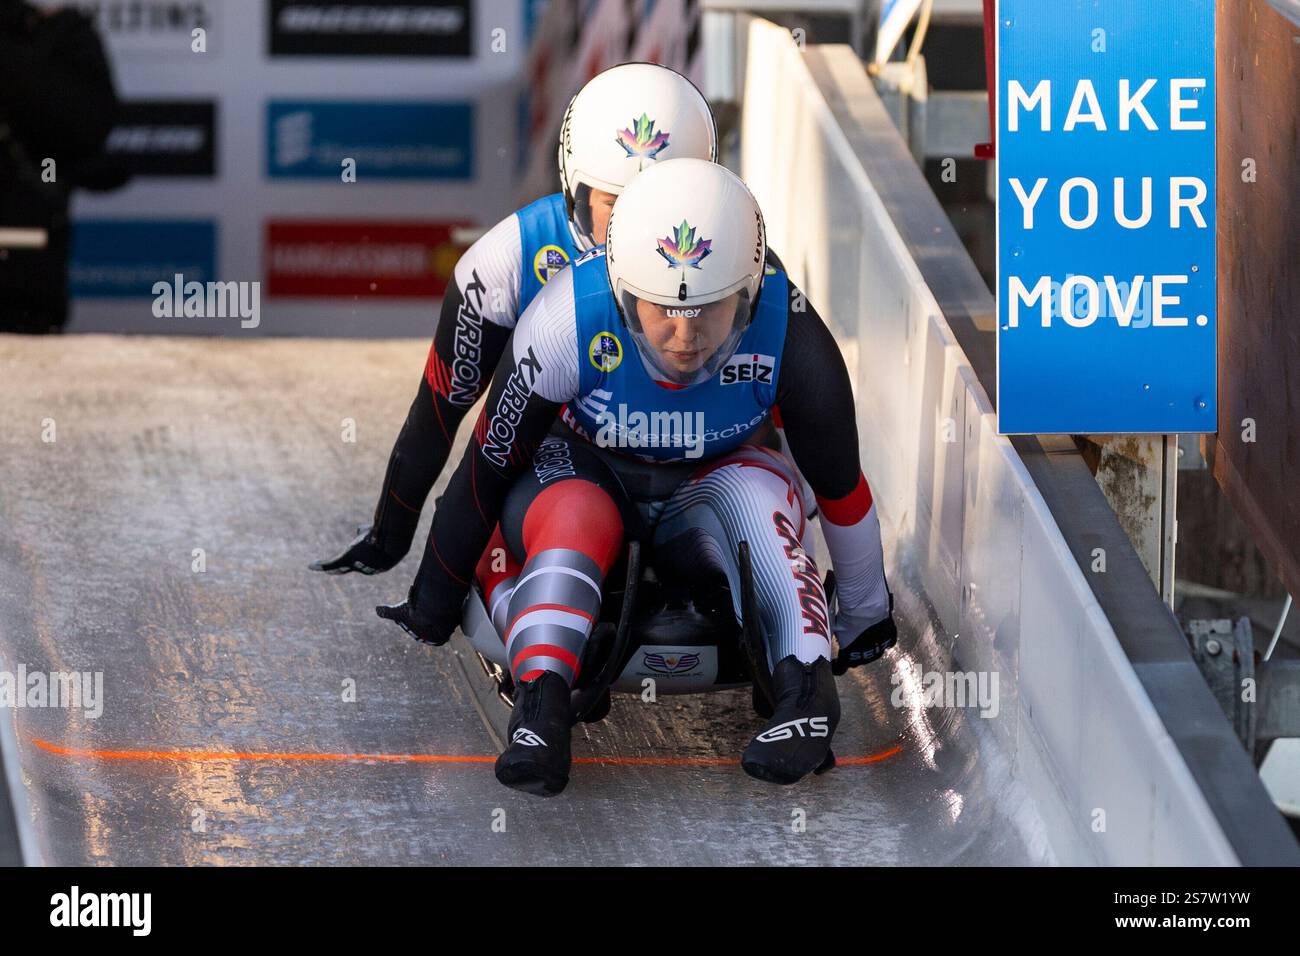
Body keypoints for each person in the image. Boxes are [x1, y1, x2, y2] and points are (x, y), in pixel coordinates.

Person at [376, 159, 897, 796]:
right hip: (583, 475)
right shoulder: (565, 320)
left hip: (715, 482)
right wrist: (433, 600)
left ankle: (806, 692)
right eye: (663, 310)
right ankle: (541, 709)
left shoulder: (792, 332)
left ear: (750, 292)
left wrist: (868, 613)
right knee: (573, 514)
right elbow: (485, 471)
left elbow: (839, 483)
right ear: (622, 294)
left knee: (761, 495)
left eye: (711, 308)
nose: (687, 335)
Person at [312, 62, 717, 575]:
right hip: (565, 462)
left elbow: (786, 394)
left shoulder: (739, 261)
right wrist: (389, 537)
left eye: (662, 199)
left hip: (696, 457)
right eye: (616, 202)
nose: (637, 224)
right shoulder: (507, 260)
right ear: (579, 190)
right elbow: (439, 411)